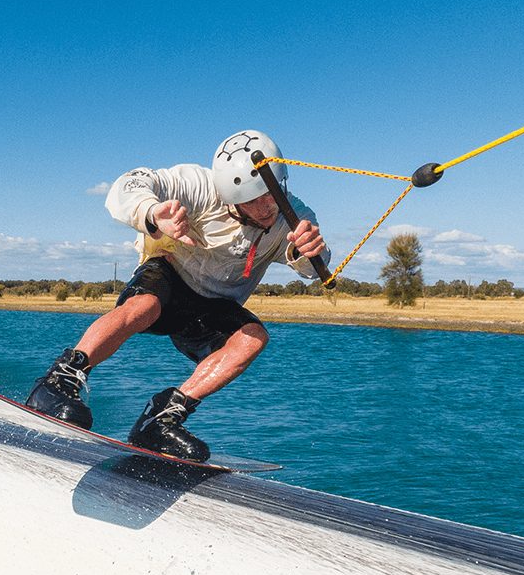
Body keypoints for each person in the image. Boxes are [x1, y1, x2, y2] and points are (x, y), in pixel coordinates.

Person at [24, 130, 327, 462]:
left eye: (270, 194)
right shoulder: (197, 184)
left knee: (253, 338)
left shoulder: (293, 214)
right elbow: (126, 186)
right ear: (228, 195)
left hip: (212, 306)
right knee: (144, 305)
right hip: (170, 274)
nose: (266, 207)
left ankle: (160, 420)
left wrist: (309, 252)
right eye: (252, 200)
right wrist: (152, 212)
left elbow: (316, 268)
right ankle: (57, 382)